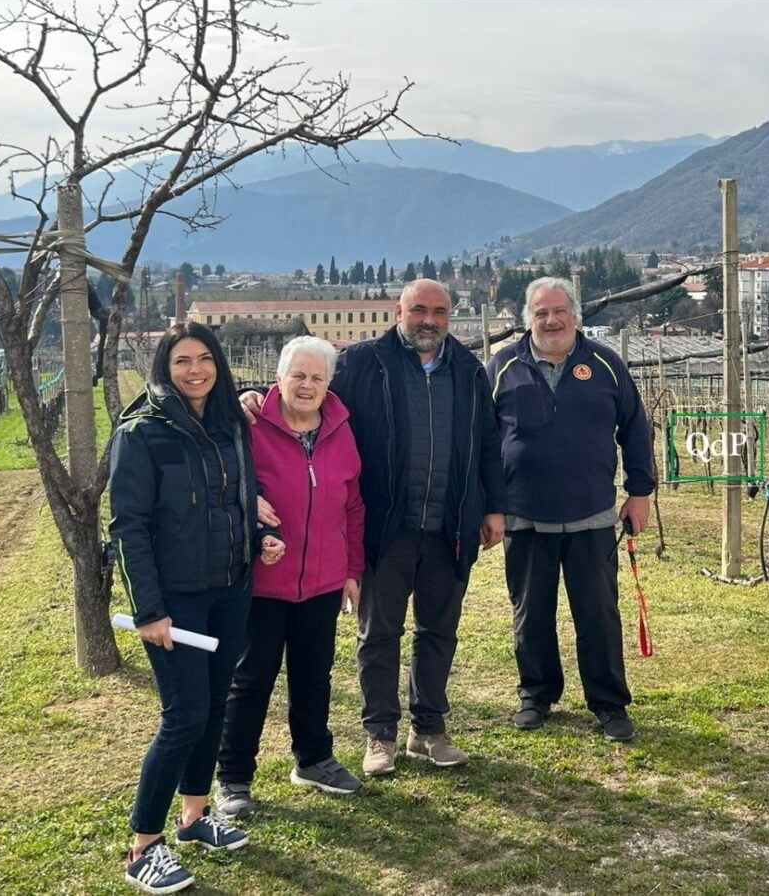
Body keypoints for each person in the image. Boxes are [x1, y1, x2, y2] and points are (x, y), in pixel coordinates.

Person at [242, 279, 504, 778]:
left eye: (440, 312)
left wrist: (493, 508)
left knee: (439, 631)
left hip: (449, 525)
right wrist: (251, 400)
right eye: (419, 310)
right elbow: (304, 399)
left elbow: (488, 441)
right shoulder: (363, 363)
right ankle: (379, 734)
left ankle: (428, 730)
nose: (430, 320)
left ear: (451, 316)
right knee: (379, 633)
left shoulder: (469, 370)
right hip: (386, 527)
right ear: (398, 311)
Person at [109, 322, 285, 894]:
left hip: (230, 589)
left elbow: (239, 500)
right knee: (183, 716)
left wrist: (259, 542)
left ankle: (193, 817)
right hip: (175, 601)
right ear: (164, 367)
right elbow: (128, 527)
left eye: (204, 359)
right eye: (182, 360)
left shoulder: (230, 423)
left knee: (212, 710)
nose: (195, 370)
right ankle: (142, 848)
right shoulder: (143, 433)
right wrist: (149, 611)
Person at [486, 277, 655, 742]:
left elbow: (636, 428)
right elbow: (481, 440)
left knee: (598, 613)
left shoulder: (605, 364)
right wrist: (489, 505)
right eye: (540, 313)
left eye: (558, 311)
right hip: (525, 514)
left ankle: (609, 703)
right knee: (531, 612)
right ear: (528, 319)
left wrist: (639, 492)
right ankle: (537, 695)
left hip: (593, 514)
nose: (551, 320)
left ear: (576, 315)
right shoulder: (502, 366)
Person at [214, 336, 365, 820]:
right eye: (298, 375)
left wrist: (351, 570)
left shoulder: (341, 427)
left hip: (322, 578)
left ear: (328, 385)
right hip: (260, 580)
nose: (307, 385)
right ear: (277, 378)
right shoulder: (248, 424)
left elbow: (353, 504)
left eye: (317, 377)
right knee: (251, 678)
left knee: (313, 675)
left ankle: (314, 759)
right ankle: (233, 777)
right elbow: (217, 486)